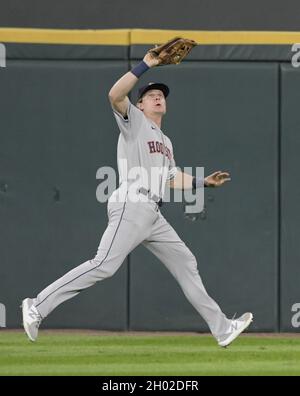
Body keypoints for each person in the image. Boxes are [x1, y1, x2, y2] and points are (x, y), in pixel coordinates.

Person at [22, 51, 253, 347]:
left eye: (161, 95)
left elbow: (171, 178)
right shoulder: (135, 122)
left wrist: (202, 182)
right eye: (150, 95)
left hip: (153, 214)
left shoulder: (165, 141)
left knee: (186, 261)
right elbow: (115, 94)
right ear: (140, 104)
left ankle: (222, 329)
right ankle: (37, 306)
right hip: (132, 203)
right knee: (104, 264)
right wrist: (146, 65)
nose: (157, 98)